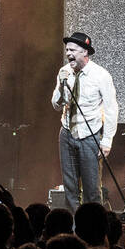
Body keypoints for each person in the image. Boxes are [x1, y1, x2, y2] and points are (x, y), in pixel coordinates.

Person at [52, 32, 118, 212]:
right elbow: (56, 105)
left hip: (90, 135)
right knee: (70, 188)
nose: (68, 53)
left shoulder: (101, 75)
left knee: (92, 189)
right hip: (67, 133)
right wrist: (61, 86)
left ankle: (93, 224)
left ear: (85, 52)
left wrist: (107, 140)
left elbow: (111, 109)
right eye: (67, 50)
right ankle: (74, 225)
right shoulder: (64, 72)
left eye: (73, 50)